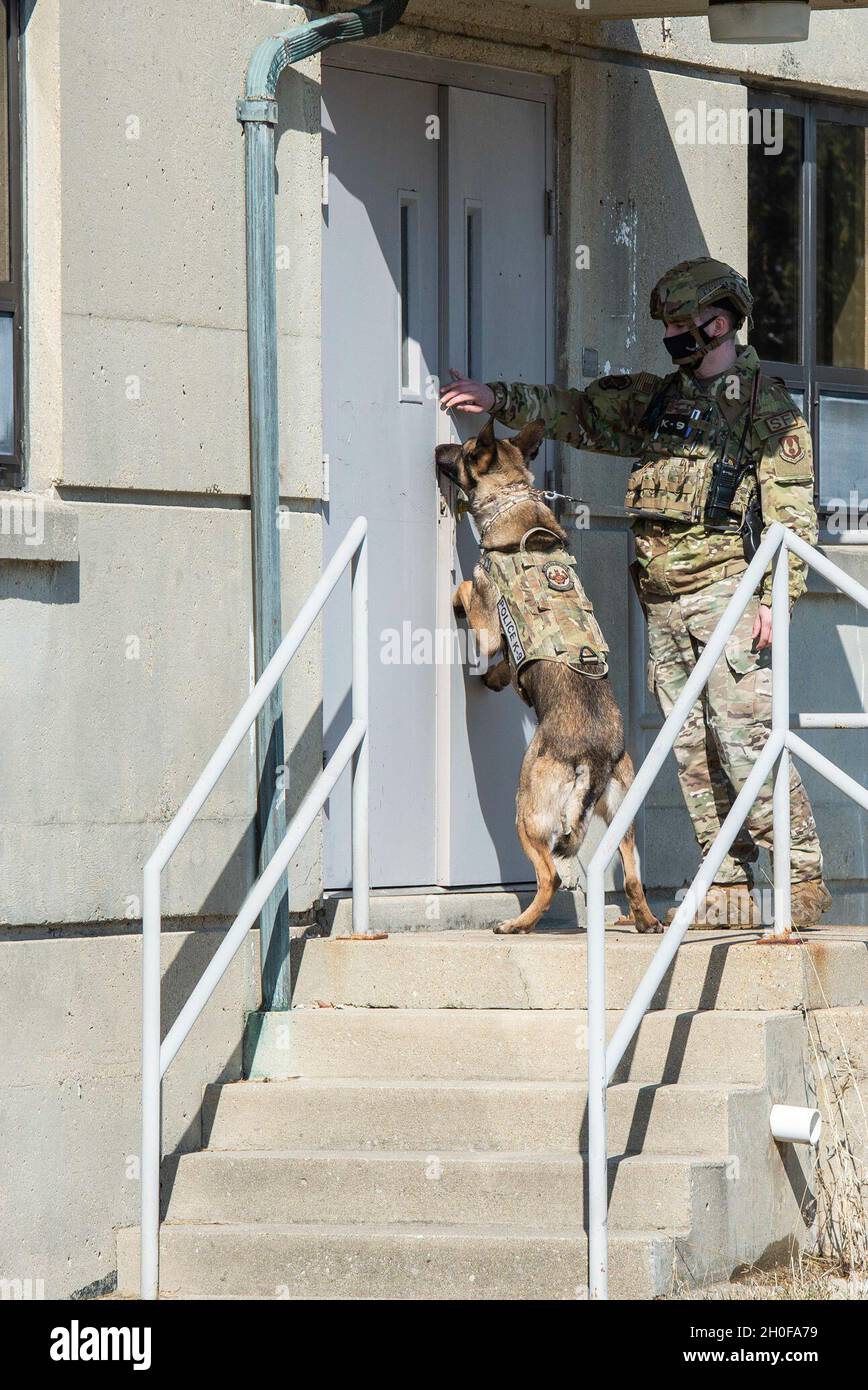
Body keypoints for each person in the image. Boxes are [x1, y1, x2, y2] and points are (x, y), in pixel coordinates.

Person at [439, 257, 831, 928]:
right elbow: (578, 412)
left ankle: (801, 880)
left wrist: (776, 595)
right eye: (669, 324)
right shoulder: (661, 398)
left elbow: (793, 508)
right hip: (664, 601)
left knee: (744, 739)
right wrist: (496, 398)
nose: (674, 334)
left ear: (722, 320)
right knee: (692, 749)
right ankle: (728, 885)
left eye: (684, 323)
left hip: (728, 595)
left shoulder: (763, 402)